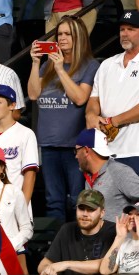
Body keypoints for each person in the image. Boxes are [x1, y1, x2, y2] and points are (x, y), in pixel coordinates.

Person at [86, 11, 139, 186]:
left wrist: (114, 121)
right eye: (122, 29)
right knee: (103, 209)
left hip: (138, 151)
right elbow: (94, 99)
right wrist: (91, 116)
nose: (124, 33)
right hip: (104, 150)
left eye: (131, 29)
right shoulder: (107, 64)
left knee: (137, 210)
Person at [28, 17, 99, 220]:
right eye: (60, 34)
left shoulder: (89, 65)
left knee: (77, 198)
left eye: (68, 34)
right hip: (49, 142)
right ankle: (56, 246)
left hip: (74, 145)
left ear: (79, 37)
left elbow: (79, 98)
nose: (62, 38)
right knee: (53, 200)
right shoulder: (47, 66)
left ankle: (77, 244)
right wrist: (35, 63)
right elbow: (33, 94)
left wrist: (61, 69)